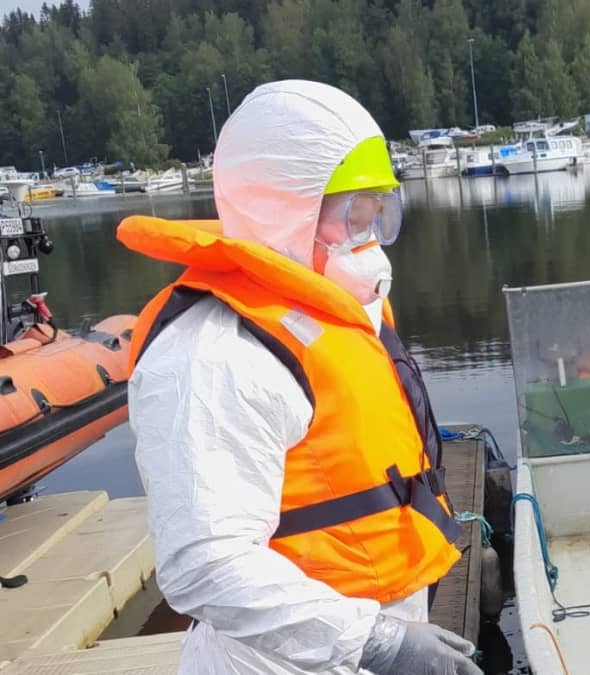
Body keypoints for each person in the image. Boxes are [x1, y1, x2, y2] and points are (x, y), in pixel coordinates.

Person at [117, 80, 483, 675]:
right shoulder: (214, 356)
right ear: (282, 210)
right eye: (350, 217)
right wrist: (376, 642)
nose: (367, 239)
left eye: (378, 213)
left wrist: (387, 636)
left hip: (369, 630)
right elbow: (204, 562)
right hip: (281, 660)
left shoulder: (334, 308)